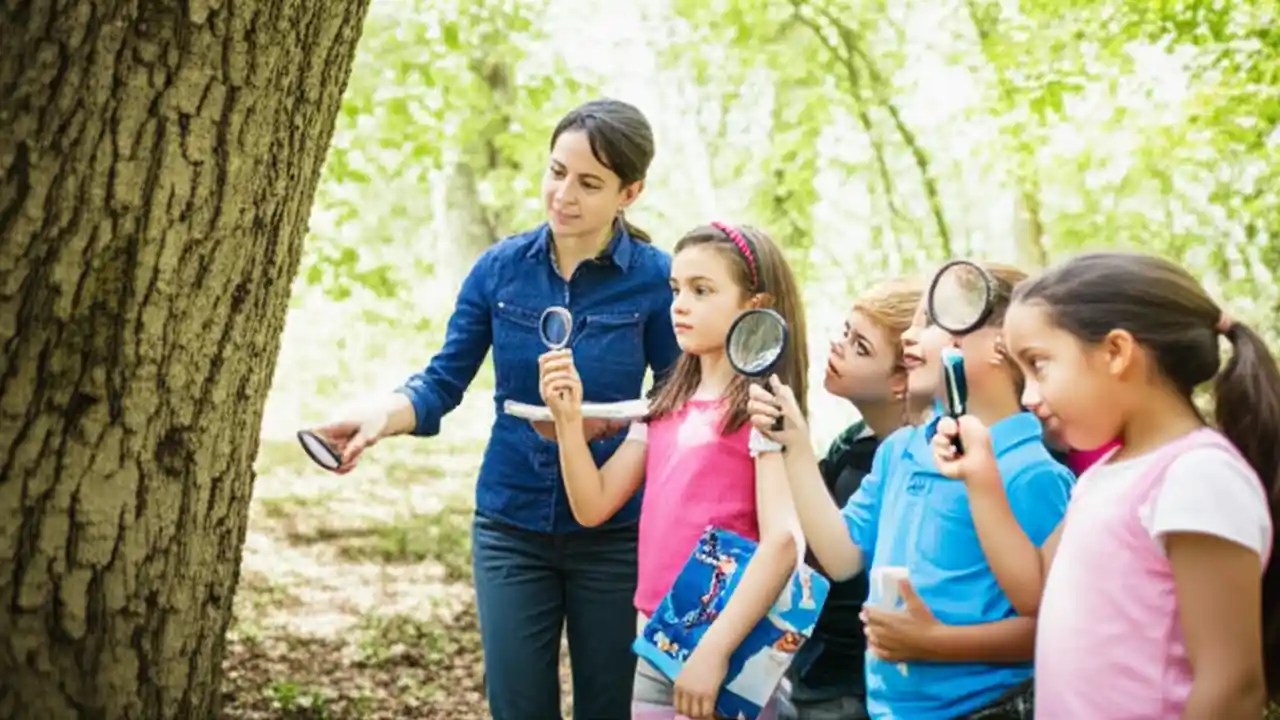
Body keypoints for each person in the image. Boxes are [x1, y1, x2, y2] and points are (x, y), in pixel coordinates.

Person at [310, 98, 682, 720]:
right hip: (511, 525)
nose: (564, 194)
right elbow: (441, 382)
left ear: (630, 192)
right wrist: (379, 418)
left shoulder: (657, 281)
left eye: (589, 183)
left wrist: (613, 426)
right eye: (556, 171)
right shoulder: (499, 270)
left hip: (615, 533)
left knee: (609, 706)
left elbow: (678, 405)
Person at [931, 252, 1279, 718]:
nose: (1030, 396)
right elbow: (1034, 589)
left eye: (1039, 364)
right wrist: (981, 478)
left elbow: (1232, 688)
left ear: (1116, 352)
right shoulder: (1105, 476)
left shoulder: (1198, 478)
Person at [750, 262, 1075, 719]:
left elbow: (1051, 626)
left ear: (1002, 346)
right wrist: (796, 446)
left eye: (931, 321)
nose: (909, 335)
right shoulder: (901, 449)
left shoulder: (1031, 472)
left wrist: (935, 644)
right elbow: (842, 557)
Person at [540, 222, 807, 719]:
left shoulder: (762, 409)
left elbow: (783, 542)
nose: (679, 304)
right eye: (675, 289)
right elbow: (593, 504)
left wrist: (715, 651)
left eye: (702, 291)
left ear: (754, 305)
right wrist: (568, 421)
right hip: (658, 639)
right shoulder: (663, 405)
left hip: (729, 647)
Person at [777, 277, 923, 720]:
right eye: (845, 331)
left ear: (903, 378)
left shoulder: (909, 463)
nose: (837, 347)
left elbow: (842, 559)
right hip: (807, 667)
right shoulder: (851, 444)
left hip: (852, 686)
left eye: (860, 347)